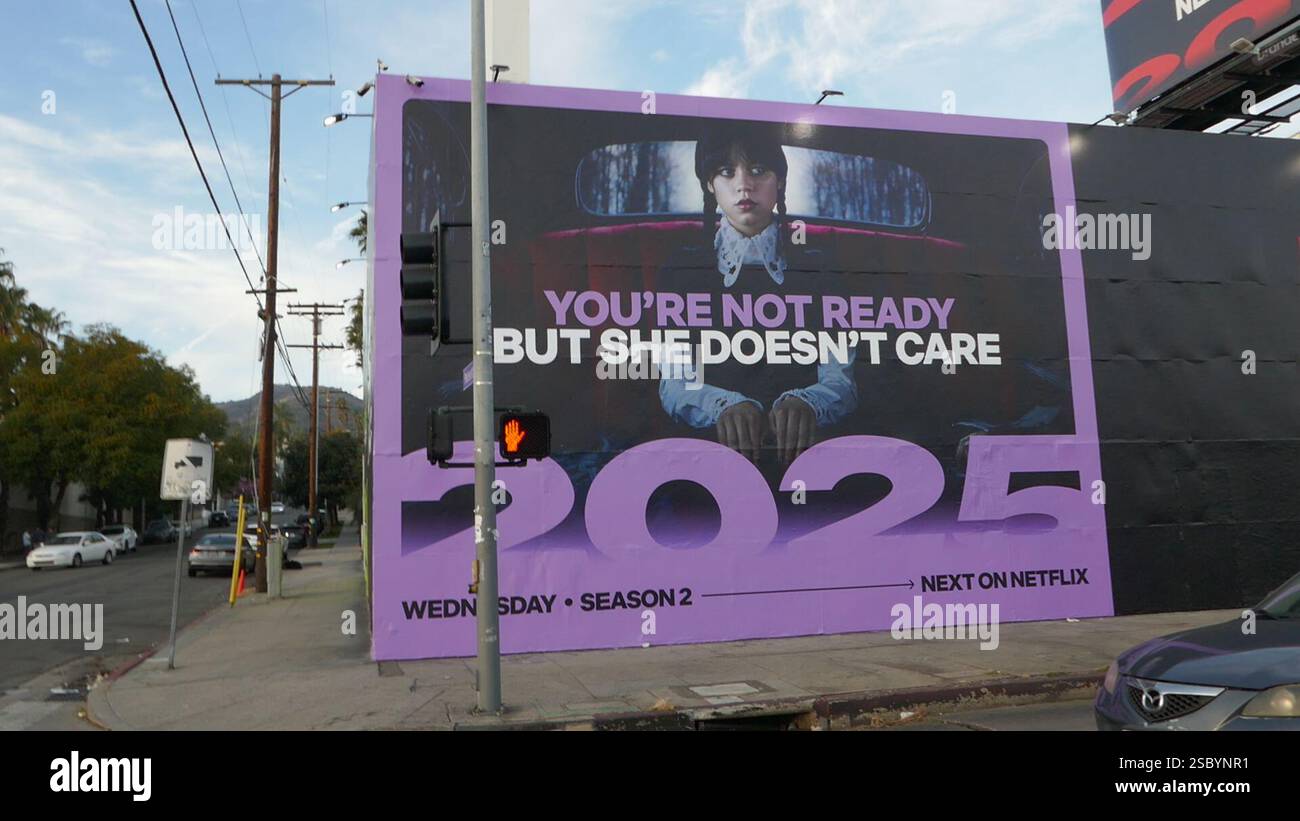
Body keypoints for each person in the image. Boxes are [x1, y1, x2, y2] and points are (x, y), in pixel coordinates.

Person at [657, 122, 856, 462]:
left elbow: (842, 377)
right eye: (726, 171)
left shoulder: (820, 267)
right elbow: (674, 382)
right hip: (707, 457)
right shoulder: (681, 271)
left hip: (810, 456)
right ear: (710, 184)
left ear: (779, 181)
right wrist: (722, 405)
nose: (744, 185)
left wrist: (808, 402)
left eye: (758, 170)